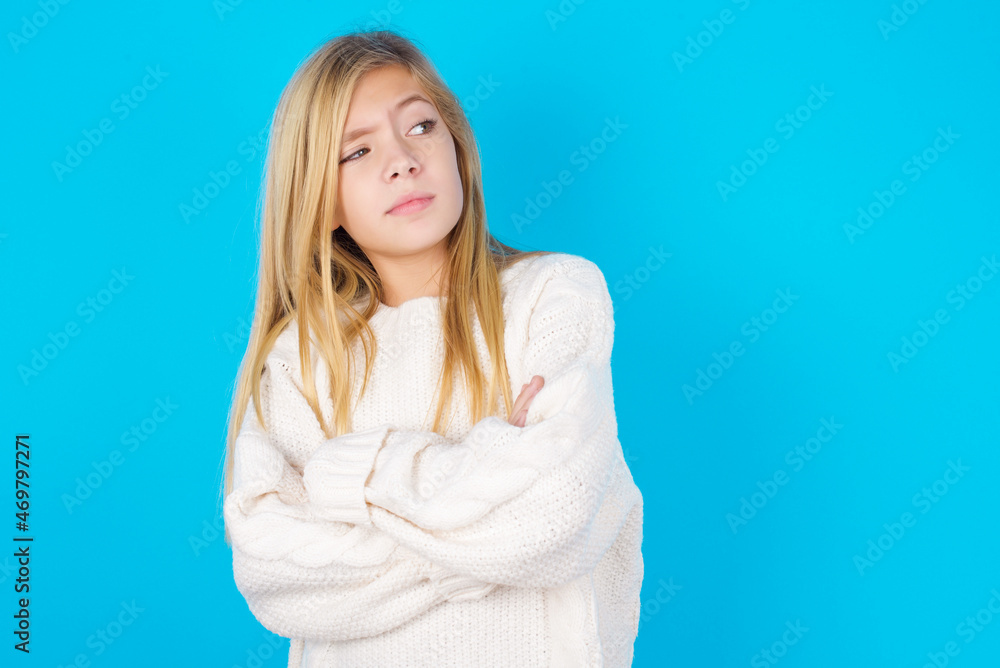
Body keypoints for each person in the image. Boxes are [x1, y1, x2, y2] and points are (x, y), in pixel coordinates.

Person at [219, 28, 644, 668]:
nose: (402, 161)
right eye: (356, 151)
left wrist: (354, 479)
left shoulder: (554, 295)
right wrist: (492, 505)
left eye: (419, 127)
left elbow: (555, 512)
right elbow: (272, 568)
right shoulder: (302, 358)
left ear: (456, 148)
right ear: (320, 199)